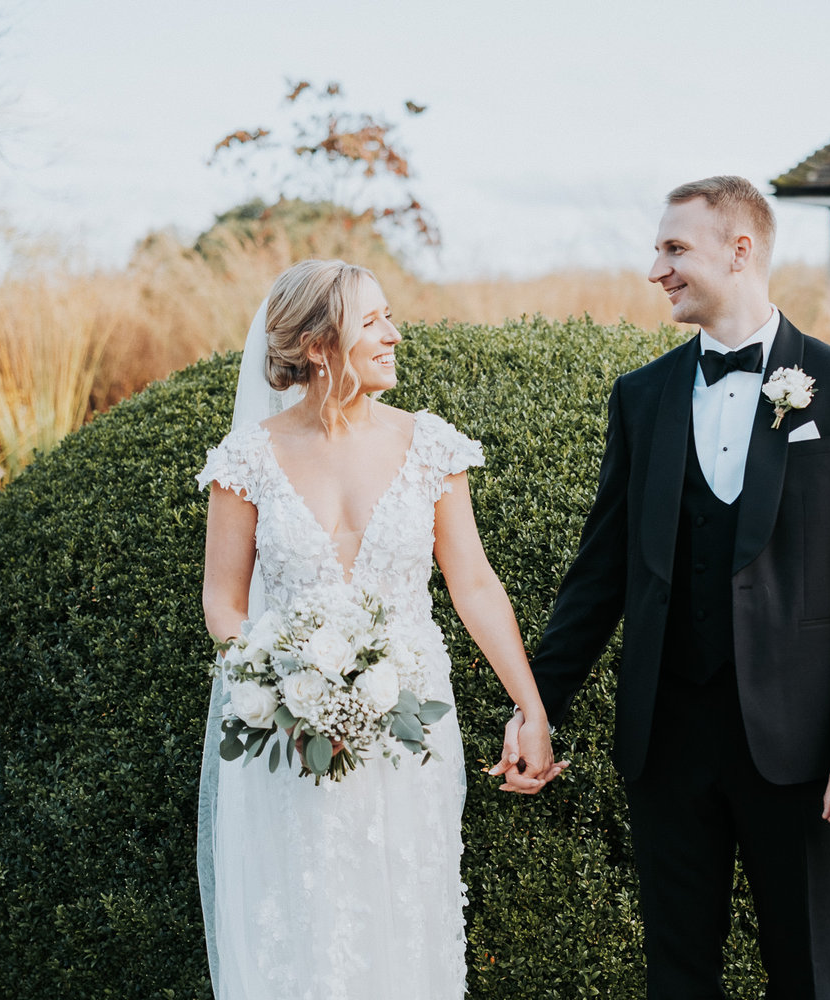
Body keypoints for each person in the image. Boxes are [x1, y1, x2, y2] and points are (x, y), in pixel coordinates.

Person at [492, 176, 830, 999]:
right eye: (658, 250)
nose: (657, 269)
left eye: (674, 248)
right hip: (667, 737)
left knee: (804, 971)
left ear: (740, 250)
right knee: (677, 975)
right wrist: (536, 707)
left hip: (800, 745)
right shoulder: (641, 397)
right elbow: (600, 574)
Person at [197, 258, 563, 1000]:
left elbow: (476, 585)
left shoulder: (429, 446)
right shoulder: (247, 460)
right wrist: (284, 689)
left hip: (410, 736)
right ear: (318, 346)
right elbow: (223, 603)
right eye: (372, 322)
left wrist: (531, 707)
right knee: (302, 924)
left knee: (403, 917)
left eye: (389, 317)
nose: (395, 334)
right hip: (288, 740)